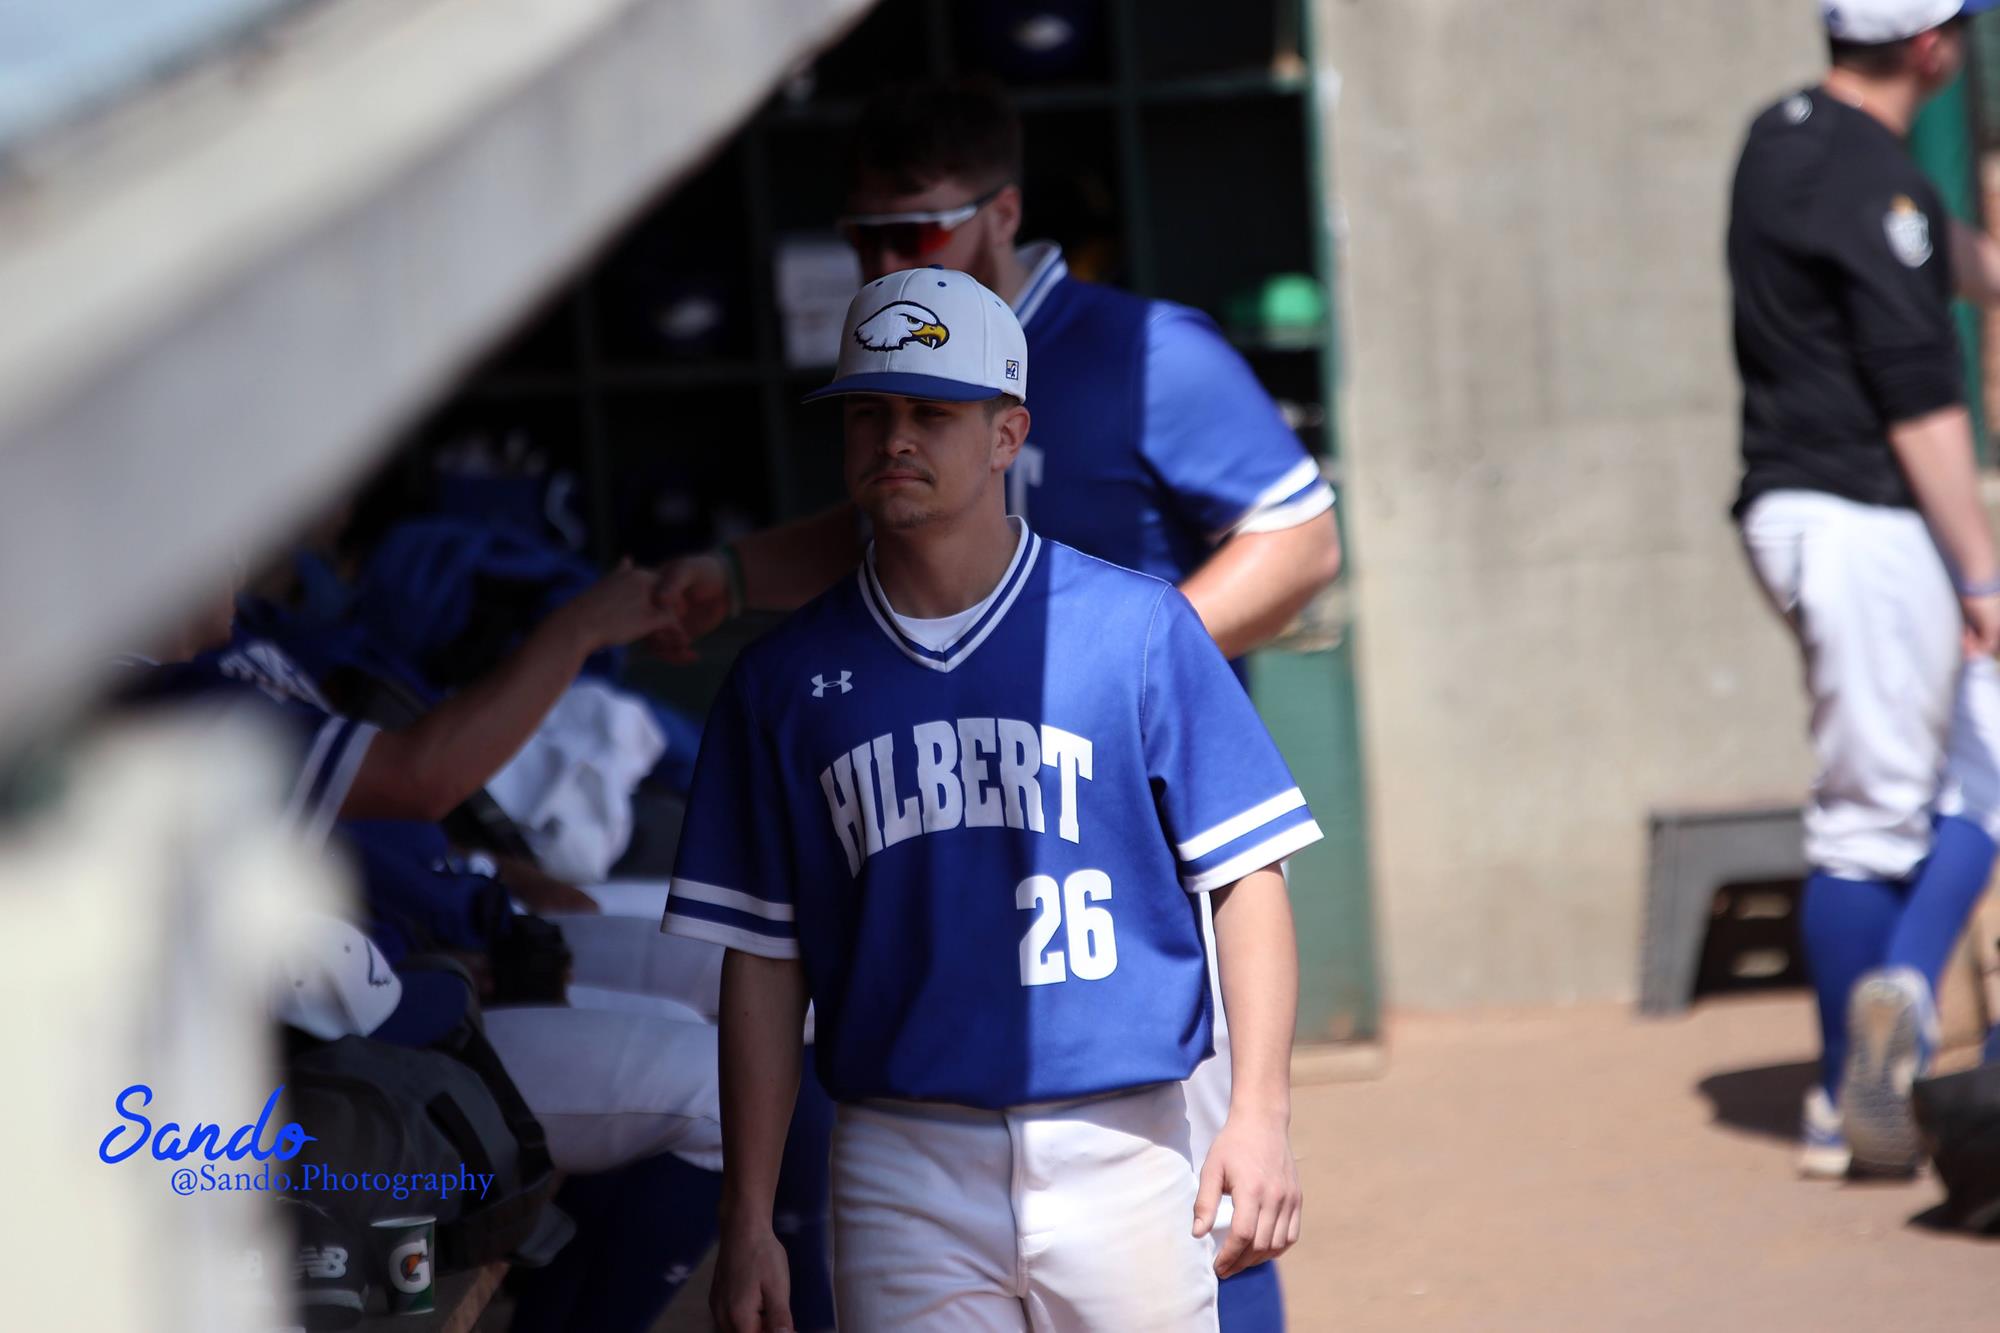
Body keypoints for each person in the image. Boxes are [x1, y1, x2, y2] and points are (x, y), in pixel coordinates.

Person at [650, 75, 1339, 1324]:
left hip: (1127, 919)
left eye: (908, 229)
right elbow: (900, 513)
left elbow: (1300, 540)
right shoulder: (792, 675)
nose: (880, 257)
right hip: (909, 1127)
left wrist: (1101, 671)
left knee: (1226, 1238)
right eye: (861, 236)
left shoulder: (1144, 363)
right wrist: (741, 573)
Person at [1728, 0, 2000, 1177]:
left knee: (1959, 767)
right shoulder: (1874, 181)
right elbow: (1918, 398)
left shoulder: (1784, 135)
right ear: (1932, 49)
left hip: (1798, 508)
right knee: (1875, 811)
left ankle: (1891, 998)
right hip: (1864, 518)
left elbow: (1936, 250)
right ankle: (1850, 1092)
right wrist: (1982, 571)